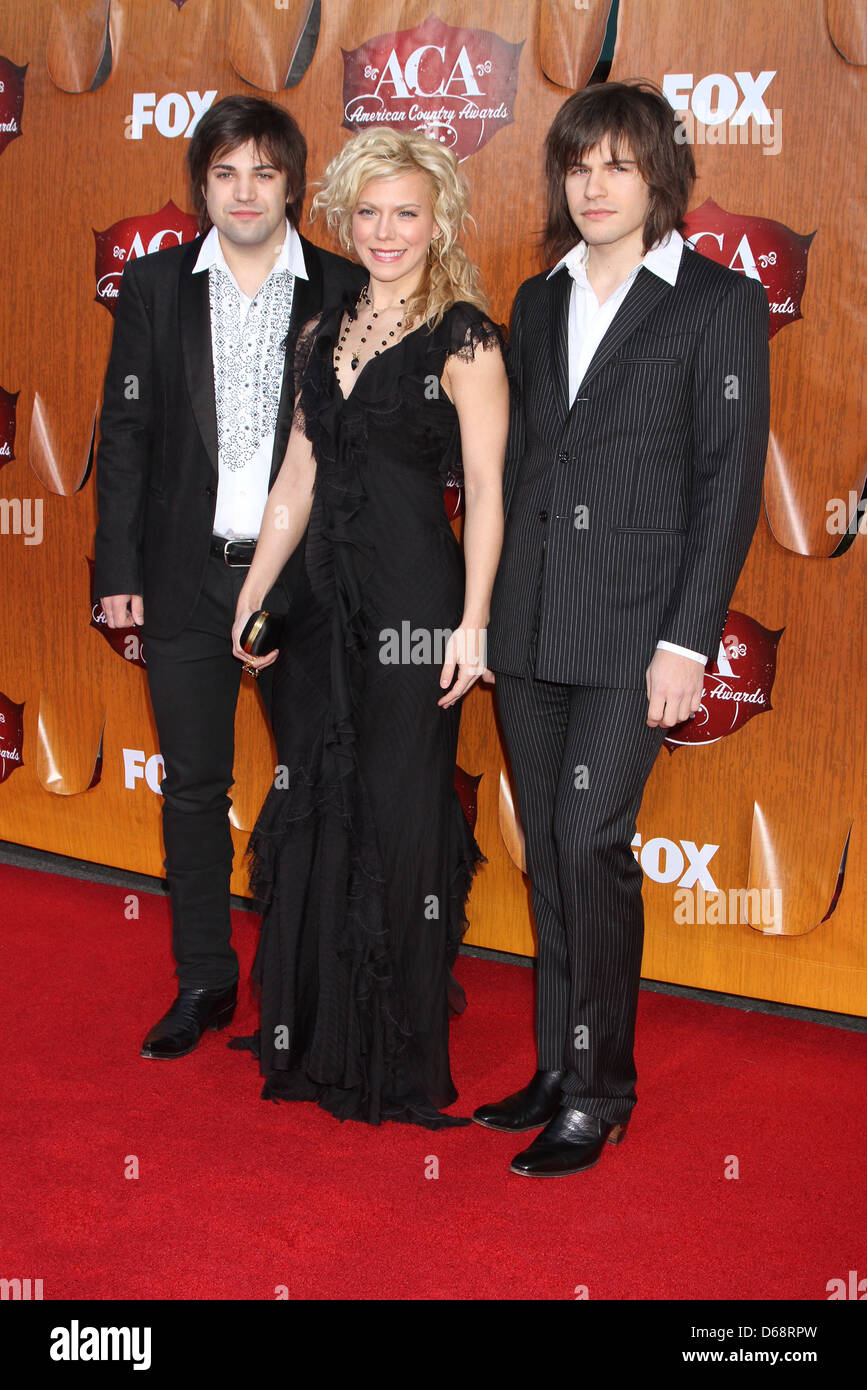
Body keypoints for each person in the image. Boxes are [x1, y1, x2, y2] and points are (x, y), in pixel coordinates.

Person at [478, 81, 770, 1175]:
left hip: (638, 633)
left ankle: (600, 1093)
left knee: (593, 842)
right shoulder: (536, 299)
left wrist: (688, 644)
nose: (595, 185)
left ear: (660, 177)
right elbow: (520, 469)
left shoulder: (716, 303)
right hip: (531, 624)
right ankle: (559, 1065)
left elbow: (727, 486)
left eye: (619, 164)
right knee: (550, 851)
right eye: (579, 164)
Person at [228, 127, 508, 1128]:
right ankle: (308, 1025)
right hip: (316, 605)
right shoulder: (320, 331)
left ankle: (389, 1049)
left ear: (439, 225)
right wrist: (258, 591)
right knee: (314, 798)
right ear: (346, 218)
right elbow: (295, 481)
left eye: (407, 214)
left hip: (413, 607)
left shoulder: (465, 336)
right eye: (370, 213)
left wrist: (473, 624)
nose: (386, 232)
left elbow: (484, 488)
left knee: (395, 807)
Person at [94, 95, 364, 1060]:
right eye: (224, 173)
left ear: (293, 183)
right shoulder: (156, 286)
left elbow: (358, 451)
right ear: (201, 186)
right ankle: (205, 979)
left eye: (263, 172)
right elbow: (124, 434)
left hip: (304, 583)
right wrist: (118, 567)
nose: (244, 192)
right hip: (182, 576)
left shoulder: (342, 284)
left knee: (324, 785)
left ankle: (322, 979)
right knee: (194, 789)